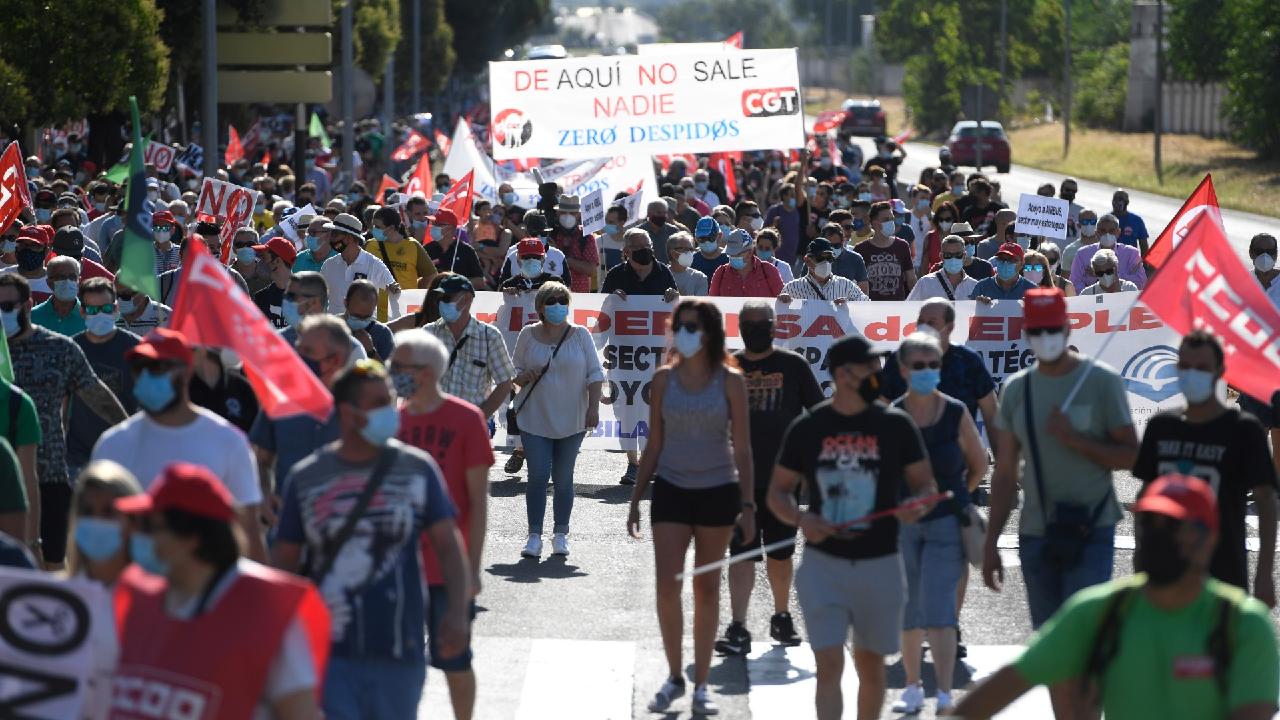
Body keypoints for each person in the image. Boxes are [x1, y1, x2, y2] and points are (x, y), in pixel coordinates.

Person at [953, 474, 1280, 720]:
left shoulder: (1243, 626)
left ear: (1208, 540)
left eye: (1172, 525)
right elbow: (990, 697)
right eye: (1147, 522)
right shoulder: (1094, 613)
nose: (1155, 534)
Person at [272, 360, 471, 718]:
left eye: (390, 399)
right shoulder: (307, 478)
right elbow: (284, 565)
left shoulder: (417, 469)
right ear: (347, 413)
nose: (391, 410)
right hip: (328, 655)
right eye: (378, 403)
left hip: (400, 651)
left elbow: (448, 545)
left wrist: (457, 613)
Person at [768, 334, 938, 720]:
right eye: (869, 367)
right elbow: (778, 492)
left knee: (871, 668)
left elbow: (925, 484)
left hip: (880, 564)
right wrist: (801, 518)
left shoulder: (895, 424)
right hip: (823, 566)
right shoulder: (808, 427)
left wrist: (917, 503)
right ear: (845, 374)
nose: (878, 373)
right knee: (828, 666)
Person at [983, 288, 1137, 710]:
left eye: (1054, 329)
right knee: (1054, 651)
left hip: (1092, 530)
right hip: (1037, 534)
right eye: (1038, 330)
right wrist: (992, 541)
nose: (1047, 337)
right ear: (1027, 333)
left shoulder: (1101, 381)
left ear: (1068, 327)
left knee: (1083, 647)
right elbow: (1005, 474)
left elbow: (1131, 455)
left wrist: (1076, 439)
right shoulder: (1017, 390)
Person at [114, 462, 328, 720]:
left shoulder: (264, 611)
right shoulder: (139, 600)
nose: (138, 537)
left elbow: (300, 713)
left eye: (151, 527)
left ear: (191, 537)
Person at [627, 299, 754, 716]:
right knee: (668, 584)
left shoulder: (731, 381)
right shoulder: (664, 379)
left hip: (718, 490)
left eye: (692, 326)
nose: (683, 332)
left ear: (710, 332)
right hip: (672, 489)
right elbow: (654, 443)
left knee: (706, 587)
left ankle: (701, 683)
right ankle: (675, 675)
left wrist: (748, 505)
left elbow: (745, 449)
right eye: (678, 325)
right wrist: (635, 497)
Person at [90, 328, 268, 563]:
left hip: (208, 589)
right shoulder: (112, 445)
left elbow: (249, 532)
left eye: (156, 368)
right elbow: (99, 534)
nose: (145, 376)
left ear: (186, 373)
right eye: (138, 368)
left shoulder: (228, 441)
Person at [392, 330, 495, 720]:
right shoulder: (389, 421)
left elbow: (477, 502)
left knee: (453, 658)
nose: (393, 373)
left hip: (446, 569)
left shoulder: (466, 420)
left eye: (400, 367)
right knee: (400, 663)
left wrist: (471, 569)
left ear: (427, 372)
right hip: (397, 569)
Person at [1133, 330, 1277, 605]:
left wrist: (1264, 574)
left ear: (1220, 371)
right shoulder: (1162, 426)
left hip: (1223, 574)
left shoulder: (1243, 430)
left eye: (1201, 368)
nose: (1192, 375)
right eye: (1185, 367)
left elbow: (1266, 501)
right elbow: (1145, 497)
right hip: (1164, 571)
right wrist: (1139, 556)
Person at [716, 300, 824, 656]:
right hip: (737, 481)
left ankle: (781, 616)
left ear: (774, 327)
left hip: (783, 481)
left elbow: (818, 416)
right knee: (741, 554)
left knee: (780, 553)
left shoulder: (793, 365)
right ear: (740, 327)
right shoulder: (729, 367)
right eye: (750, 324)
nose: (757, 329)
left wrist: (813, 466)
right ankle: (738, 625)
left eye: (763, 324)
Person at [887, 332, 987, 714]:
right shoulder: (893, 415)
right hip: (905, 525)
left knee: (941, 609)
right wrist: (900, 507)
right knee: (909, 608)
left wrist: (956, 496)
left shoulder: (956, 411)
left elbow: (978, 466)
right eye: (919, 366)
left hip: (947, 524)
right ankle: (913, 686)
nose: (927, 371)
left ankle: (944, 693)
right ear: (903, 370)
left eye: (933, 365)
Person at [3, 273, 127, 565]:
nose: (2, 313)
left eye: (9, 306)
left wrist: (129, 431)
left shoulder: (60, 349)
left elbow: (96, 394)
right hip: (3, 473)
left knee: (52, 563)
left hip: (49, 474)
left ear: (28, 304)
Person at [510, 282, 603, 558]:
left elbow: (595, 374)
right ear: (540, 306)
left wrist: (594, 408)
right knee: (537, 476)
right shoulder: (527, 334)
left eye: (563, 301)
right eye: (551, 301)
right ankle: (534, 535)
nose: (558, 306)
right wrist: (525, 376)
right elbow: (514, 370)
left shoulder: (580, 334)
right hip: (535, 417)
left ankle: (561, 534)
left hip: (572, 419)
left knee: (564, 479)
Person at [64, 460, 141, 717]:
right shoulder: (55, 597)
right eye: (87, 511)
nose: (97, 520)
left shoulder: (157, 603)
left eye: (109, 512)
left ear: (133, 521)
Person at [251, 314, 353, 502]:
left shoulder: (362, 408)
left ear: (335, 360)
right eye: (297, 350)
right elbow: (260, 461)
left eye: (307, 352)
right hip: (286, 524)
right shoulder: (280, 402)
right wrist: (265, 493)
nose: (296, 358)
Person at [424, 275, 517, 427]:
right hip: (433, 425)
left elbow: (505, 384)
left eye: (447, 297)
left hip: (472, 427)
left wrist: (479, 417)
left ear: (467, 299)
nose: (441, 302)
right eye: (439, 298)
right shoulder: (428, 332)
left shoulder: (490, 336)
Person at [320, 212, 399, 314]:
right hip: (336, 328)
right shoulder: (328, 265)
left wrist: (394, 289)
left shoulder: (375, 265)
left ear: (349, 238)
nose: (330, 238)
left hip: (364, 327)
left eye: (335, 234)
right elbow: (320, 296)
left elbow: (395, 292)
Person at [366, 205, 436, 320]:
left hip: (403, 315)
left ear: (391, 228)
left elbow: (431, 275)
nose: (374, 229)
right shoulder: (369, 245)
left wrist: (413, 289)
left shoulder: (412, 246)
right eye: (373, 225)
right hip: (375, 316)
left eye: (378, 227)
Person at [187, 345, 260, 434]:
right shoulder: (185, 390)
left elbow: (257, 435)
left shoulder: (242, 387)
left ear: (202, 351)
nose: (182, 354)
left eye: (187, 349)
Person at [855, 201, 916, 300]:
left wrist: (914, 305)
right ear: (874, 222)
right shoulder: (861, 249)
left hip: (896, 308)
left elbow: (911, 279)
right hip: (871, 309)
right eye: (886, 219)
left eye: (892, 218)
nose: (892, 222)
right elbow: (856, 284)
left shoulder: (902, 246)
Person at [1070, 213, 1146, 291]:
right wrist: (1091, 294)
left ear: (1118, 232)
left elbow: (1141, 281)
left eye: (1111, 231)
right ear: (1096, 233)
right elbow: (1075, 283)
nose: (1107, 234)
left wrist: (1103, 274)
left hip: (1123, 299)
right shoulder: (1082, 254)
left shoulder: (1131, 253)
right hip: (1092, 300)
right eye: (1103, 231)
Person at [601, 227, 680, 302]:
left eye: (648, 246)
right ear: (626, 251)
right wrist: (611, 298)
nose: (645, 249)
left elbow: (675, 304)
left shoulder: (664, 272)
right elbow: (601, 305)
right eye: (638, 247)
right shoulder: (615, 274)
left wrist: (673, 295)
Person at [778, 238, 869, 303]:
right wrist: (782, 302)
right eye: (820, 258)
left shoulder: (846, 285)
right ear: (807, 260)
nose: (825, 263)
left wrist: (851, 305)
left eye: (829, 258)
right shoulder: (792, 288)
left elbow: (867, 305)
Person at [709, 229, 784, 298]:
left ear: (750, 253)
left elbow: (782, 301)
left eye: (737, 254)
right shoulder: (721, 273)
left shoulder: (769, 270)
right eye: (730, 254)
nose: (733, 257)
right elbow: (712, 305)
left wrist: (785, 297)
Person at [908, 234, 979, 301]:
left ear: (964, 256)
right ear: (941, 257)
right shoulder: (925, 283)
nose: (953, 259)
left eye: (958, 254)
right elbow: (908, 308)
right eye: (948, 255)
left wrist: (985, 304)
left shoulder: (974, 286)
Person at [30, 255, 86, 336]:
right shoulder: (32, 317)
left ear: (79, 281)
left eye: (72, 277)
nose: (67, 281)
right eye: (61, 277)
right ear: (49, 283)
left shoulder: (91, 318)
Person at [343, 279, 395, 362]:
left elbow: (389, 373)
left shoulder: (382, 333)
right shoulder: (333, 330)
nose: (361, 321)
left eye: (367, 317)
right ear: (346, 303)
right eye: (356, 316)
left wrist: (371, 351)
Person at [251, 235, 297, 328]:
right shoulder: (261, 297)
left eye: (264, 257)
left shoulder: (305, 295)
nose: (260, 262)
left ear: (277, 261)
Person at [972, 242, 1037, 301]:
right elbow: (969, 311)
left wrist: (1031, 309)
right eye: (1001, 259)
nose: (1005, 263)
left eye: (1011, 260)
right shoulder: (981, 287)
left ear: (1022, 263)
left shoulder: (1032, 290)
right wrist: (977, 305)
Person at [667, 231, 709, 296]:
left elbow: (699, 304)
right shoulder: (661, 275)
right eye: (685, 249)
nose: (689, 253)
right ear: (672, 252)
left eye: (691, 249)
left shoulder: (700, 278)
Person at [1060, 208, 1098, 278]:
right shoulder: (1069, 250)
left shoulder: (1106, 247)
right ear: (1078, 225)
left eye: (1092, 221)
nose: (1089, 225)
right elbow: (1064, 281)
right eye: (1085, 222)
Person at [1112, 188, 1149, 253]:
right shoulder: (1106, 220)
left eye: (1120, 199)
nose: (1117, 202)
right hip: (1110, 260)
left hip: (1130, 261)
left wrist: (1145, 263)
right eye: (1115, 199)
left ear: (1127, 202)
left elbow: (1144, 246)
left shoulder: (1137, 221)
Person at [1249, 233, 1280, 307]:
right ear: (1251, 253)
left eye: (1270, 252)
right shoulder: (1244, 281)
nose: (1265, 256)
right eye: (1259, 251)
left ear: (1276, 254)